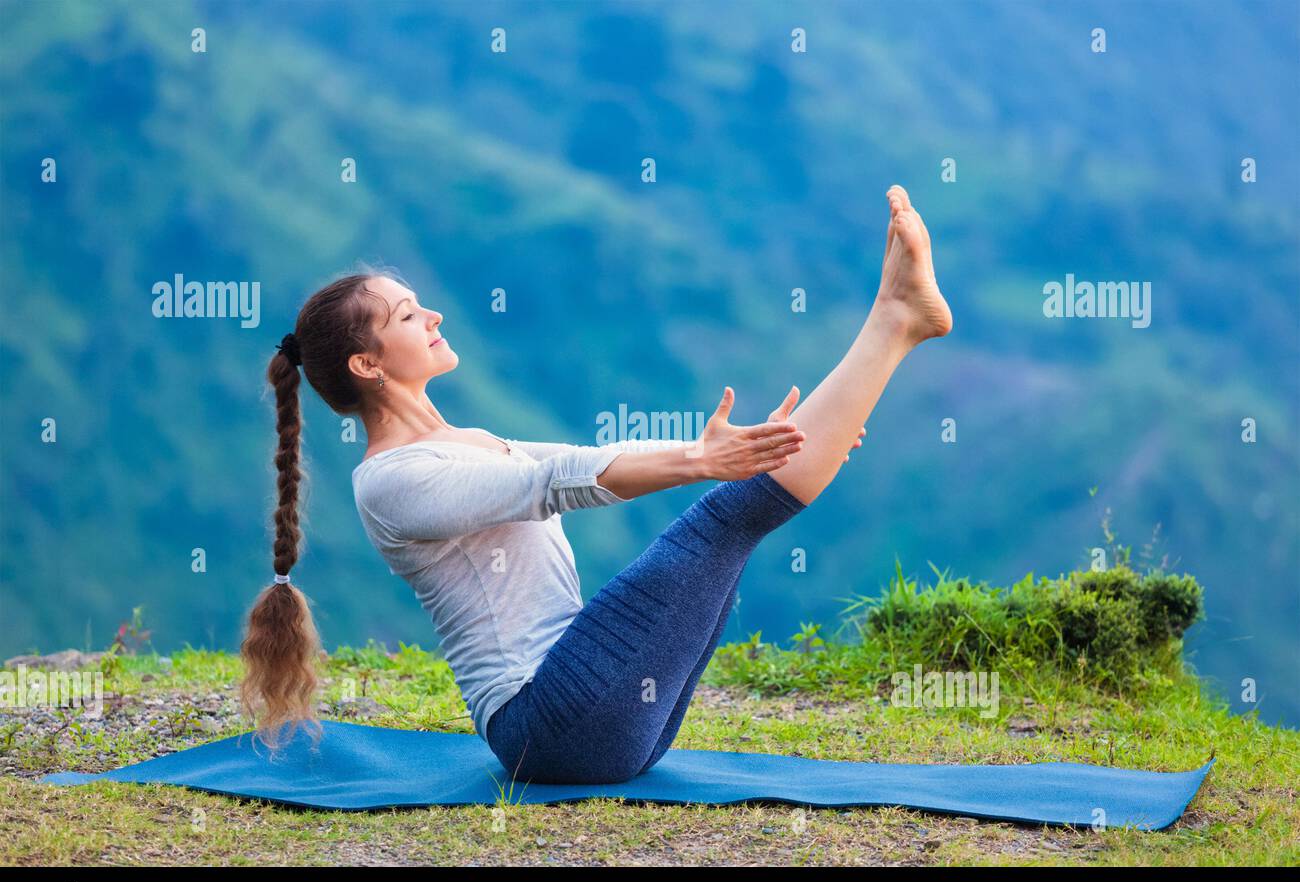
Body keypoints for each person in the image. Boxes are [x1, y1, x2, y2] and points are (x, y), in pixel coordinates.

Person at [240, 184, 951, 782]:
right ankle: (895, 320)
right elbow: (556, 481)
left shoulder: (474, 445)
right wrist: (708, 463)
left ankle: (893, 324)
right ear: (368, 365)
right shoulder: (390, 483)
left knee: (739, 509)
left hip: (600, 720)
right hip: (546, 728)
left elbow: (589, 456)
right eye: (405, 316)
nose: (433, 317)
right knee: (727, 513)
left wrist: (731, 449)